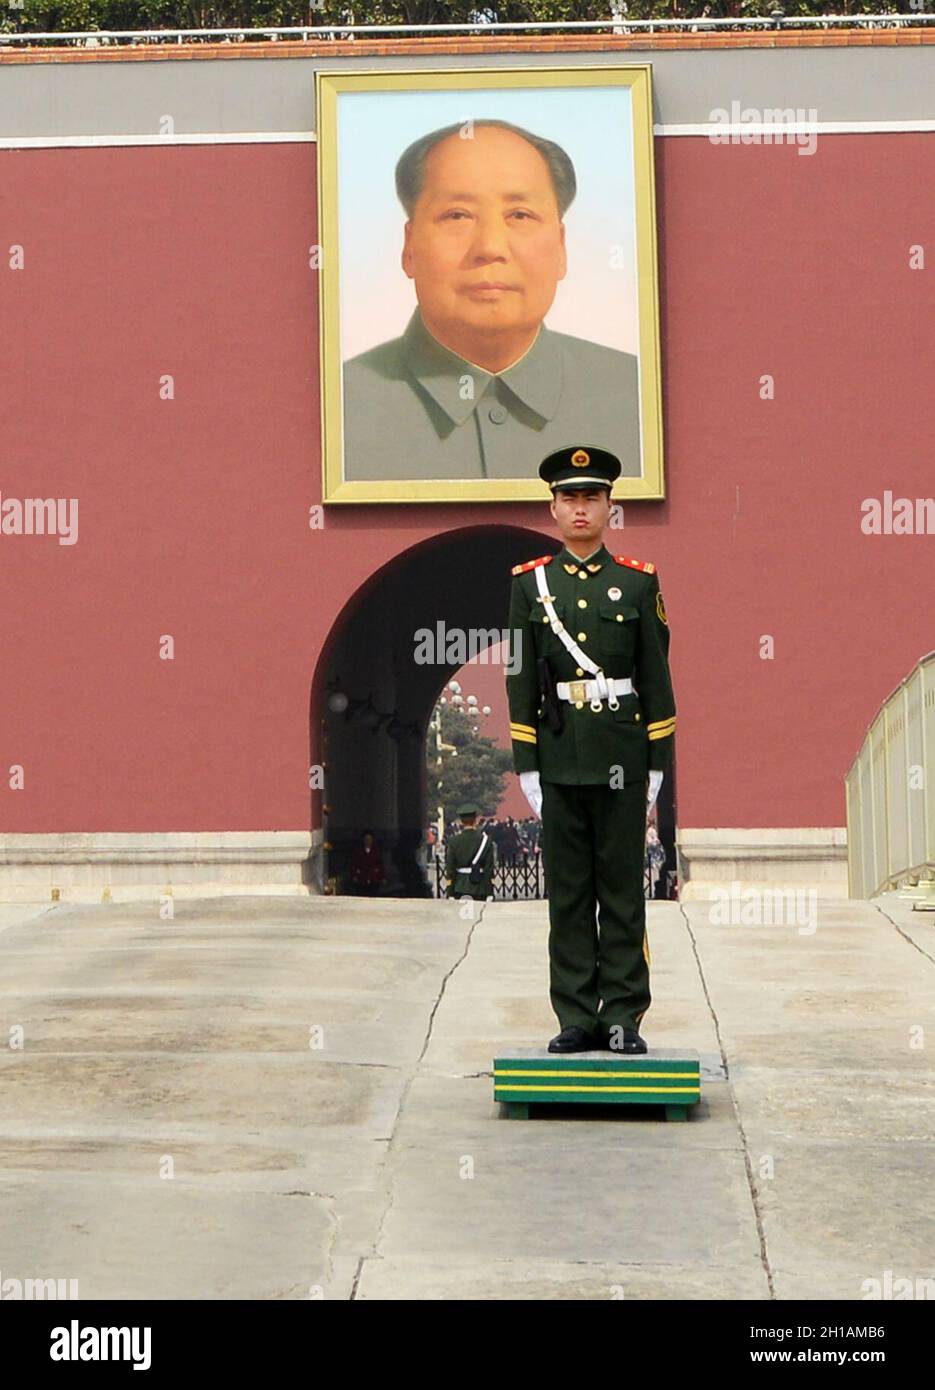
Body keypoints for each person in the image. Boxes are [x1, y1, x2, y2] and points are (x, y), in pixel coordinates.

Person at [343, 120, 640, 483]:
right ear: (409, 247)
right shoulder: (340, 407)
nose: (490, 248)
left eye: (519, 215)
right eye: (457, 215)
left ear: (561, 247)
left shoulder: (638, 398)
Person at [506, 444, 676, 1054]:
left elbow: (656, 675)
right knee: (570, 895)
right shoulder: (531, 586)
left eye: (592, 498)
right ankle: (575, 1015)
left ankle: (624, 1016)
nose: (580, 509)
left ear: (611, 507)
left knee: (624, 892)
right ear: (552, 507)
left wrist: (658, 763)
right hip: (558, 758)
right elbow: (520, 675)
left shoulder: (637, 581)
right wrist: (526, 763)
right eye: (569, 498)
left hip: (624, 757)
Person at [443, 804, 497, 901]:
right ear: (475, 820)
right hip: (480, 887)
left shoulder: (454, 841)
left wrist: (450, 891)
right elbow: (488, 869)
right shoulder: (485, 841)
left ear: (461, 821)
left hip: (459, 887)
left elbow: (450, 868)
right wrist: (490, 892)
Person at [347, 831, 385, 897]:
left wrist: (382, 877)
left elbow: (380, 865)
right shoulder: (358, 851)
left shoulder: (376, 851)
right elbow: (354, 864)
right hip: (361, 878)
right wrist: (354, 875)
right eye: (366, 839)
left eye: (370, 839)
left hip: (373, 878)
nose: (368, 841)